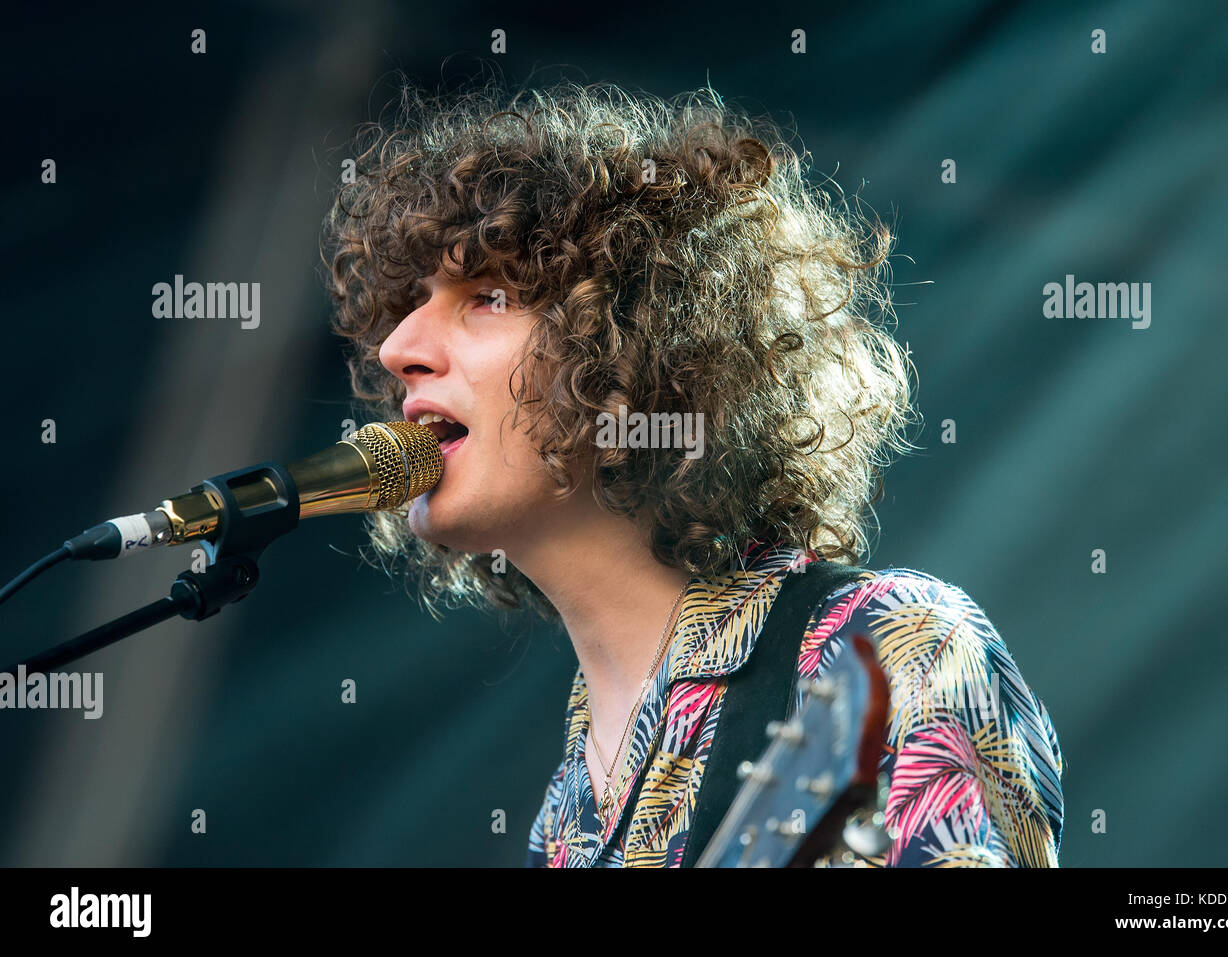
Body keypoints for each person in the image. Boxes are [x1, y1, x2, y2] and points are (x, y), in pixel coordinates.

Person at [322, 74, 1064, 867]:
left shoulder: (879, 645)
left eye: (489, 295)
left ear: (633, 360)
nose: (399, 346)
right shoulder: (563, 820)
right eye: (410, 301)